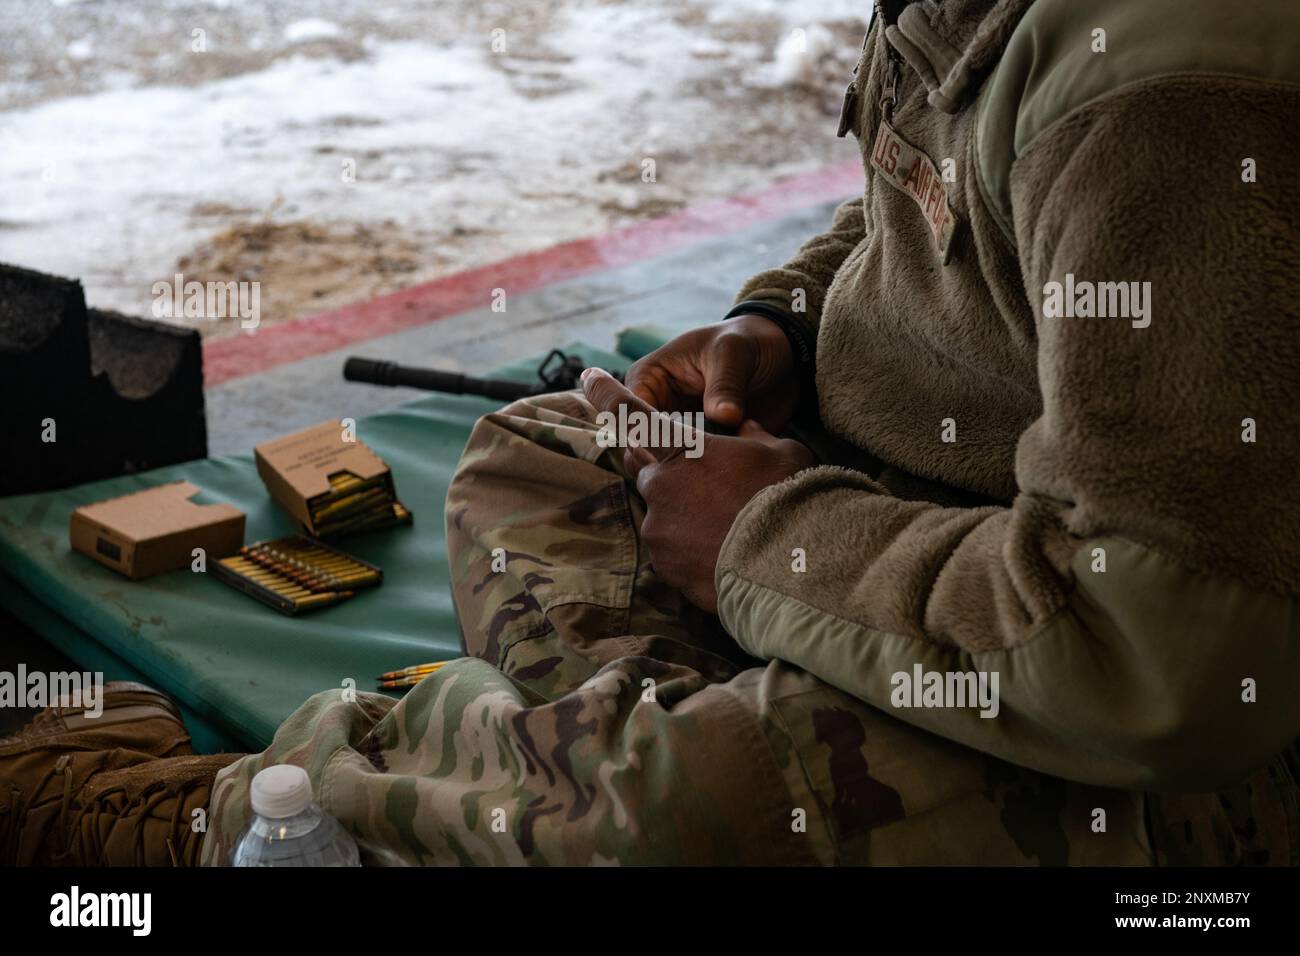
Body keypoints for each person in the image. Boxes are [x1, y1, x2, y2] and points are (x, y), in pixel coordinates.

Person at [5, 0, 1299, 866]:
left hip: (1160, 711)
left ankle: (226, 812)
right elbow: (947, 208)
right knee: (547, 448)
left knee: (713, 798)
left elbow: (1168, 649)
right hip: (951, 515)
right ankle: (623, 765)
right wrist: (781, 325)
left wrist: (765, 540)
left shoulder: (1172, 94)